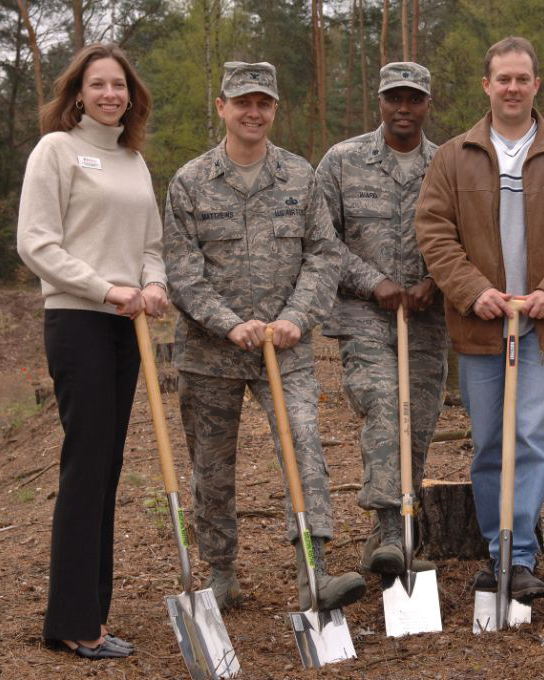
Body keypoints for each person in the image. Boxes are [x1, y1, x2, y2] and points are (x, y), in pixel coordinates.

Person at [162, 61, 365, 613]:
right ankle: (221, 570)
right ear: (223, 107)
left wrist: (298, 316)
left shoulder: (299, 176)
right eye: (243, 102)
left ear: (274, 109)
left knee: (304, 447)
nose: (254, 112)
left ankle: (312, 571)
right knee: (211, 465)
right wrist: (229, 323)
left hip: (288, 349)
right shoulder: (190, 182)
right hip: (211, 356)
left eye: (264, 103)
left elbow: (323, 255)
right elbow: (182, 271)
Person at [415, 36, 544, 599]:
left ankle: (516, 557)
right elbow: (434, 231)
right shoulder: (454, 156)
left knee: (531, 436)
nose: (512, 87)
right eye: (502, 78)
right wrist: (472, 290)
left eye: (521, 78)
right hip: (482, 324)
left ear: (536, 85)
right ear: (487, 85)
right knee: (487, 443)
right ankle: (497, 548)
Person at [17, 43, 168, 659]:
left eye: (120, 86)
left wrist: (153, 283)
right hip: (79, 321)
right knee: (86, 466)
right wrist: (107, 288)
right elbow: (36, 243)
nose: (111, 94)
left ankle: (88, 613)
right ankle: (74, 621)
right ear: (77, 93)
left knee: (106, 467)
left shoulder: (133, 159)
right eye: (98, 85)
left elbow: (152, 243)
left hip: (124, 325)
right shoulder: (57, 151)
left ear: (131, 96)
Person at [315, 62, 447, 575]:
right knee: (386, 406)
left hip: (428, 319)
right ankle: (393, 527)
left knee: (419, 420)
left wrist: (435, 282)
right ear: (379, 101)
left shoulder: (448, 164)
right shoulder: (342, 161)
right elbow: (323, 240)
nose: (403, 108)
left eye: (413, 99)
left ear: (426, 105)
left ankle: (395, 526)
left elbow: (465, 237)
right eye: (394, 98)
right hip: (363, 316)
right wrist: (376, 283)